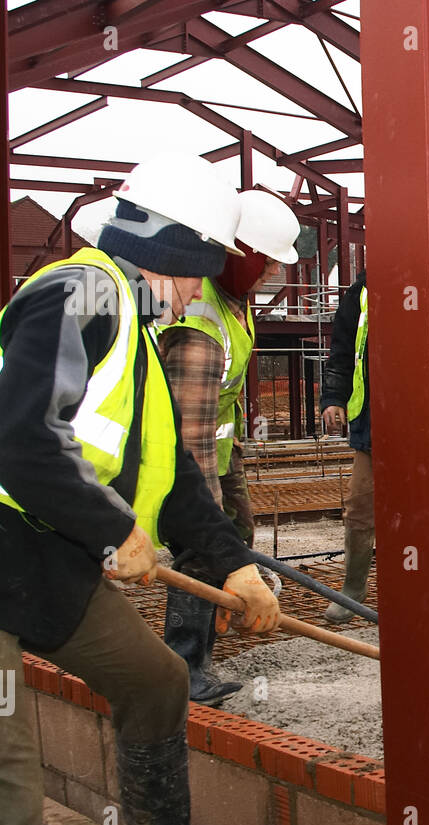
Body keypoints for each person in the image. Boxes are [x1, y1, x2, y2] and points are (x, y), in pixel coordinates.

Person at [0, 153, 280, 825]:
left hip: (41, 556)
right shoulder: (82, 293)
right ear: (171, 252)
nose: (193, 295)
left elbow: (174, 486)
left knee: (157, 680)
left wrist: (234, 566)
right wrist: (113, 528)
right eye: (195, 274)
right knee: (4, 814)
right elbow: (18, 439)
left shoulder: (136, 337)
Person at [156, 188, 300, 705]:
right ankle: (185, 666)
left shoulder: (235, 305)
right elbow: (189, 433)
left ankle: (209, 638)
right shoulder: (201, 322)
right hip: (190, 460)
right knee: (200, 552)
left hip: (221, 450)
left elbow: (220, 410)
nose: (270, 278)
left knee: (236, 534)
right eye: (266, 266)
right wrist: (206, 508)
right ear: (244, 257)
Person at [319, 271, 372, 623]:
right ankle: (353, 591)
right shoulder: (362, 291)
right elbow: (342, 349)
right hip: (375, 420)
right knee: (361, 504)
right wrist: (334, 397)